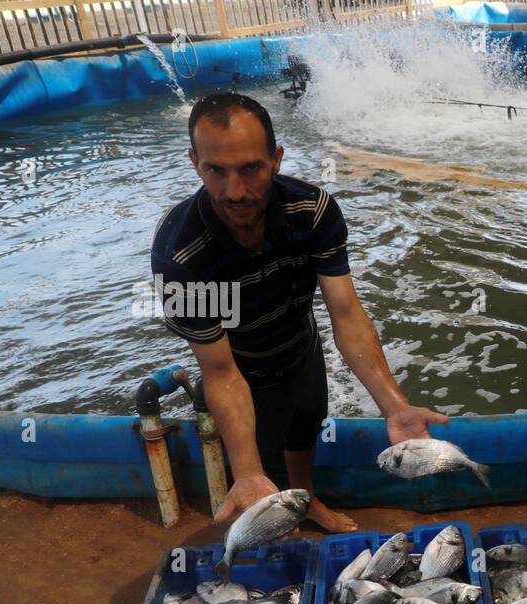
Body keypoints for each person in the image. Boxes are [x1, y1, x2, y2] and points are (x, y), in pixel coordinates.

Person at [151, 91, 447, 531]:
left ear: (276, 159)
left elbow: (345, 315)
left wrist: (394, 406)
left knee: (305, 427)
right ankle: (269, 509)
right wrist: (249, 471)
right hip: (242, 369)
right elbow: (219, 371)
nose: (235, 191)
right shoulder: (179, 255)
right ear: (195, 162)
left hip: (300, 345)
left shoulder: (312, 211)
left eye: (250, 168)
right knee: (259, 473)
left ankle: (307, 499)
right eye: (216, 170)